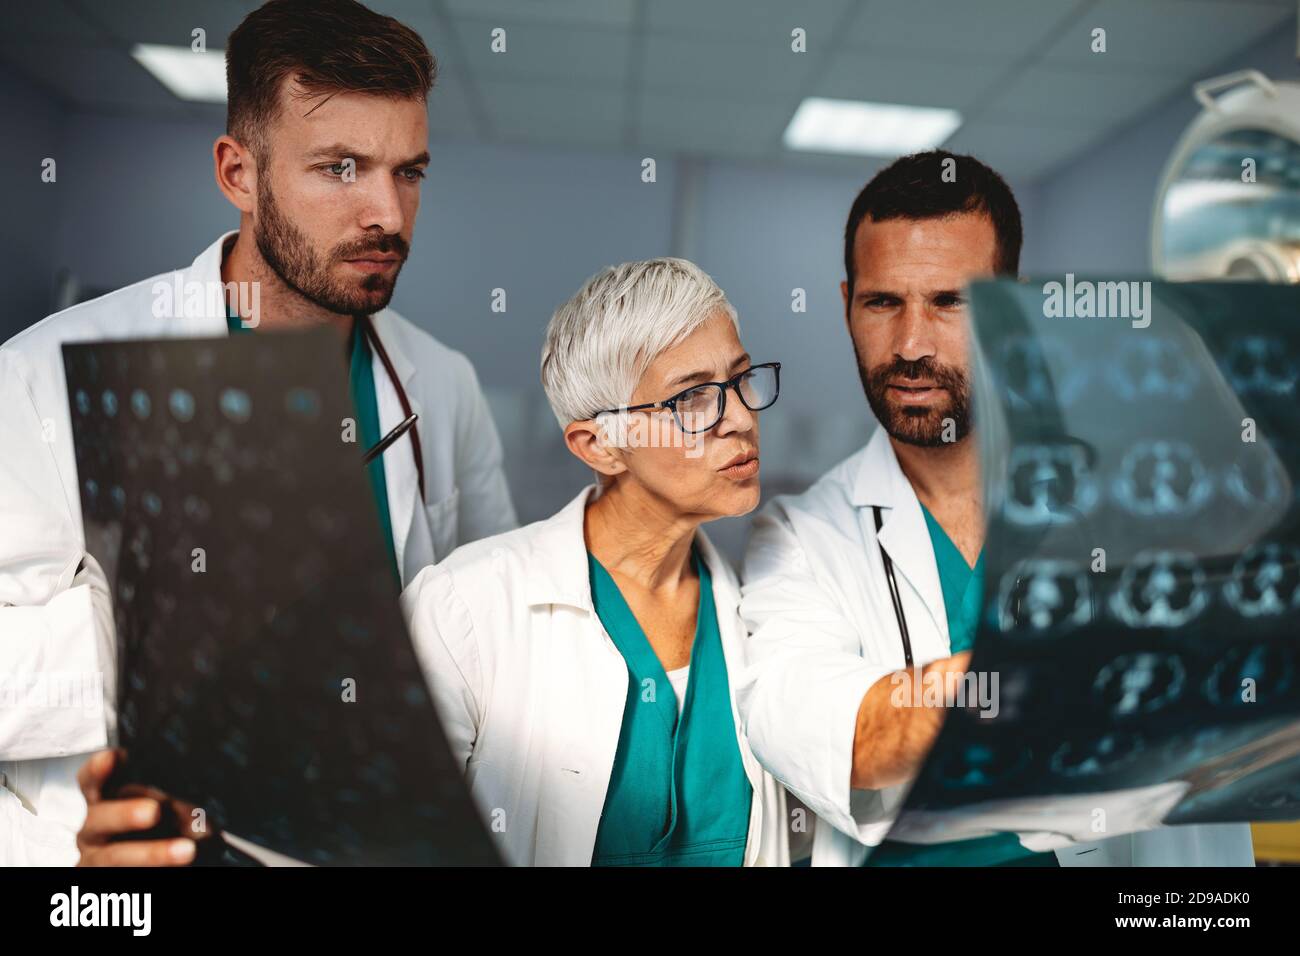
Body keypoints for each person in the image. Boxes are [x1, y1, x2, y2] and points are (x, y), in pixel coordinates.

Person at [3, 0, 516, 866]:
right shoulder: (44, 373)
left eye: (409, 171)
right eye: (341, 168)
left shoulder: (445, 385)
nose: (387, 213)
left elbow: (495, 644)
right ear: (238, 173)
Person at [736, 149, 1256, 867]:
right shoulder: (800, 538)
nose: (911, 346)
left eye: (951, 301)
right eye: (883, 302)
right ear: (847, 304)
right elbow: (828, 732)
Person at [398, 258, 790, 866]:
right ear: (599, 444)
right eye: (691, 400)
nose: (739, 418)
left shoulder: (767, 615)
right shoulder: (464, 610)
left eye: (742, 379)